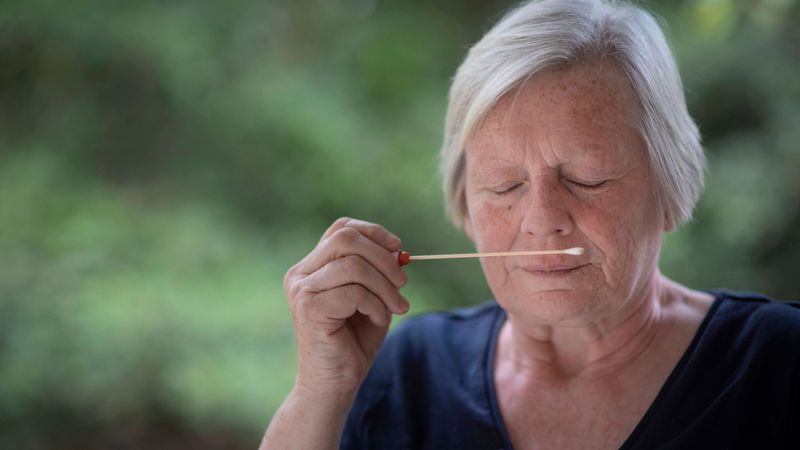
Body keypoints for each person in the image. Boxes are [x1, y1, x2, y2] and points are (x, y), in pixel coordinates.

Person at [260, 0, 800, 448]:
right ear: (466, 205)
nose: (543, 220)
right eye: (504, 185)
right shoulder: (409, 373)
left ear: (668, 188)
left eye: (587, 178)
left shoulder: (778, 363)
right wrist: (319, 392)